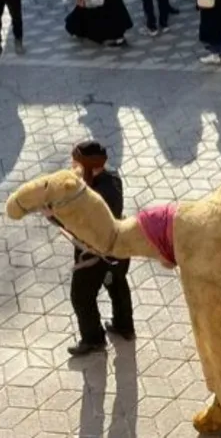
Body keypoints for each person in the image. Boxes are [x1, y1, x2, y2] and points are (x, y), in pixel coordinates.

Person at [66, 140, 135, 355]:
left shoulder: (94, 194)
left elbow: (78, 223)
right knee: (117, 285)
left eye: (76, 163)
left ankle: (93, 338)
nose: (72, 166)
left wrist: (54, 217)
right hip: (119, 249)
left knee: (81, 295)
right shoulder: (112, 179)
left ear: (90, 165)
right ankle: (124, 326)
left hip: (96, 255)